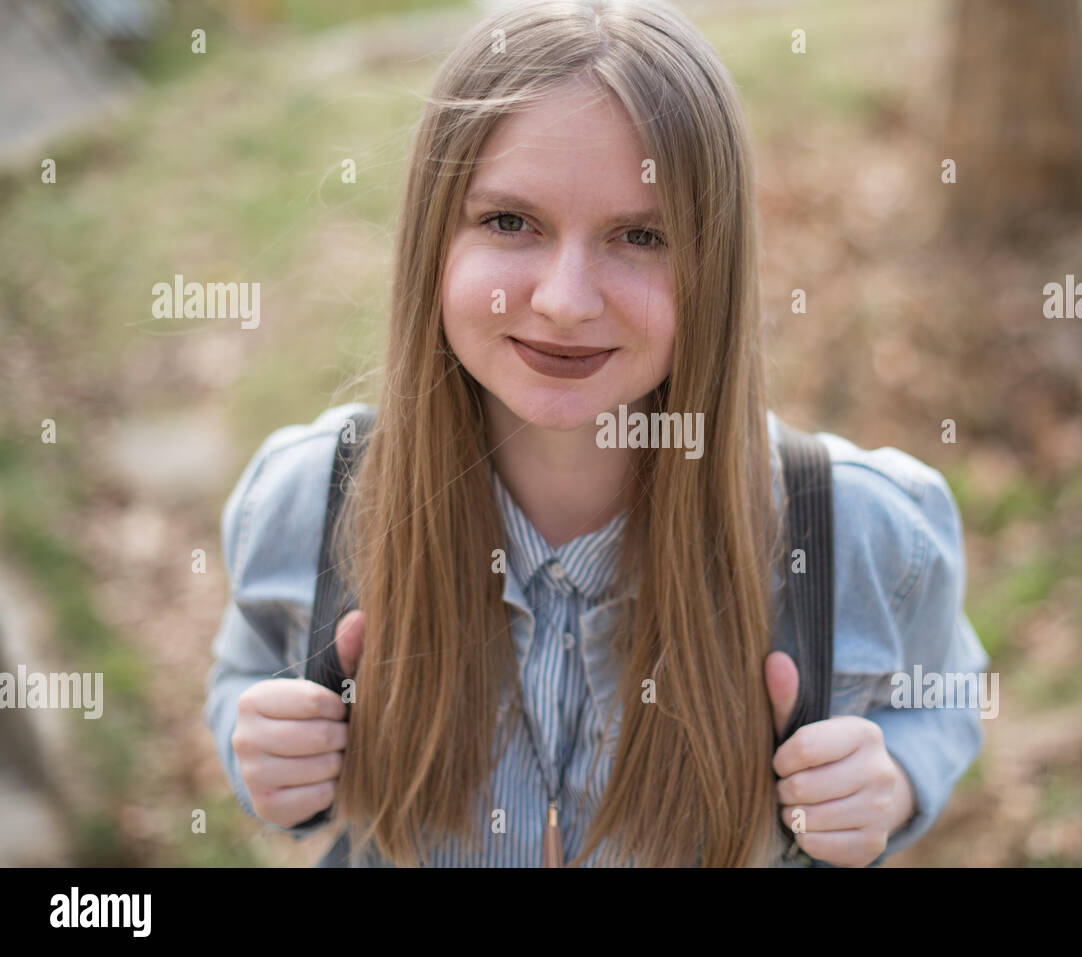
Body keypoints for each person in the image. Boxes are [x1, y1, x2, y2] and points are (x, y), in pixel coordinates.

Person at [202, 0, 989, 868]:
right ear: (434, 237)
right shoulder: (314, 501)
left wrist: (895, 779)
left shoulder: (855, 531)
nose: (567, 299)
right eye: (511, 221)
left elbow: (947, 689)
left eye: (641, 236)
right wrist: (271, 756)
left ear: (714, 266)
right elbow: (243, 674)